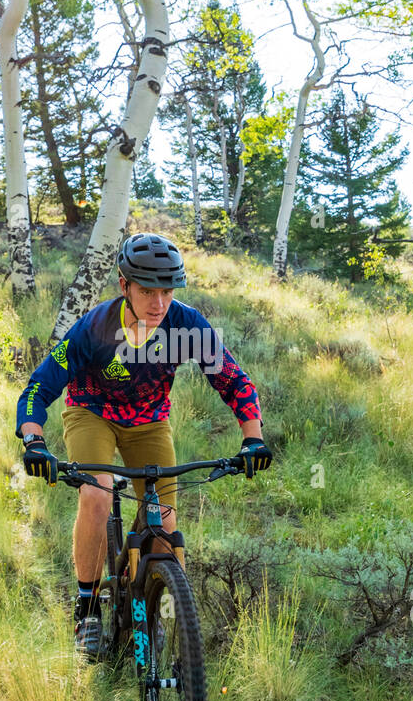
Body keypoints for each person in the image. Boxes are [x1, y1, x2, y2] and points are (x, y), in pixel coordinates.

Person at [16, 232, 272, 659]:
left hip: (149, 422)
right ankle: (86, 609)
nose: (158, 304)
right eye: (147, 291)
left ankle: (150, 606)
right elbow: (41, 385)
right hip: (91, 413)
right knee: (97, 494)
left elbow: (232, 379)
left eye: (167, 292)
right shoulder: (95, 328)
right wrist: (34, 440)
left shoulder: (186, 325)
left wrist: (253, 439)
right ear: (124, 286)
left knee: (164, 524)